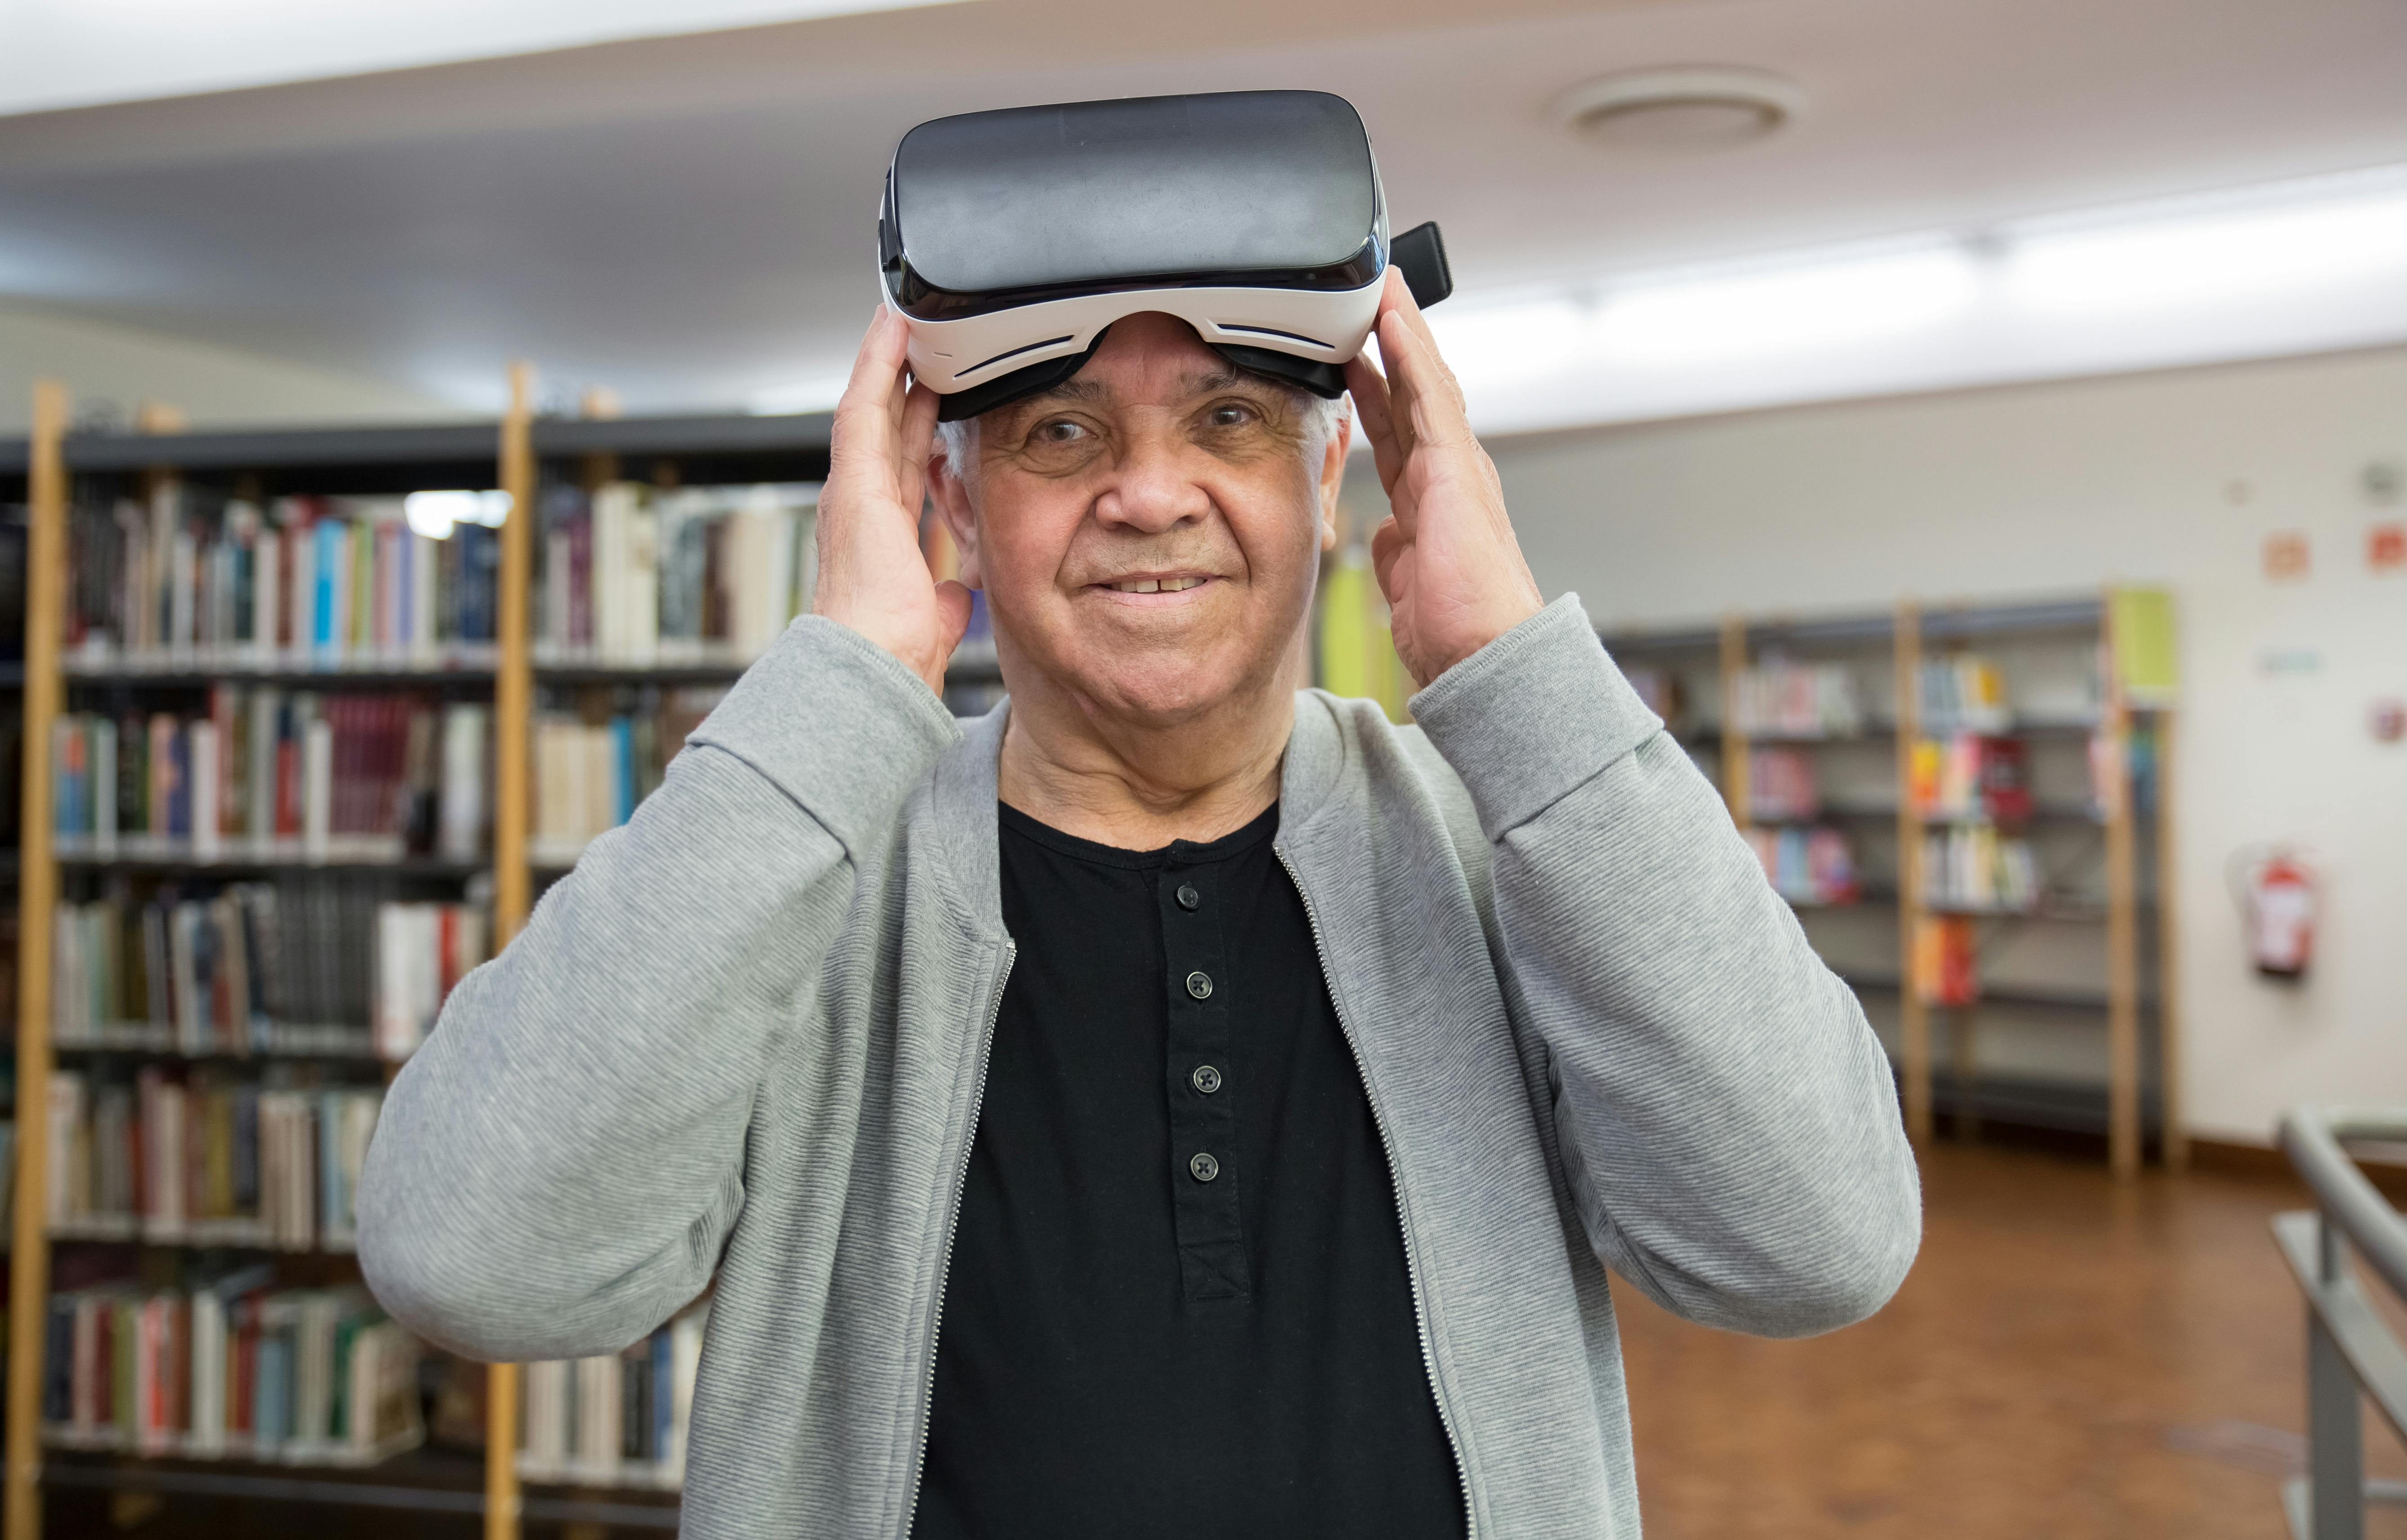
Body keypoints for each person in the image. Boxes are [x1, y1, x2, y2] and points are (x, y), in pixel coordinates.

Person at [359, 270, 1921, 1540]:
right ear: (951, 504)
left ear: (1326, 483)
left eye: (1228, 420)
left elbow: (1812, 1246)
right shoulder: (821, 865)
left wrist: (1511, 669)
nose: (1150, 494)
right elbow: (476, 1259)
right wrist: (841, 675)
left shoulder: (1505, 840)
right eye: (1059, 434)